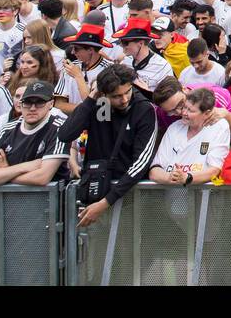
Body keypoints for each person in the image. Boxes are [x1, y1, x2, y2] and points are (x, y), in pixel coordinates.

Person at [58, 63, 158, 227]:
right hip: (97, 189)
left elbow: (141, 162)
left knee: (127, 249)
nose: (124, 99)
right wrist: (91, 98)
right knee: (95, 250)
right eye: (116, 96)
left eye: (127, 92)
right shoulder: (100, 104)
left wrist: (106, 202)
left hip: (129, 194)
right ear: (104, 94)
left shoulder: (143, 109)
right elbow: (65, 134)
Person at [0, 80, 70, 187]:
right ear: (21, 105)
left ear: (51, 104)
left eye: (39, 103)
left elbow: (42, 178)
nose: (32, 108)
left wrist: (4, 173)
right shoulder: (6, 129)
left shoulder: (59, 127)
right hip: (10, 202)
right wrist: (26, 167)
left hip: (48, 201)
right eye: (27, 102)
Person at [148, 87, 231, 187]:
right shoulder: (174, 127)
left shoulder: (219, 127)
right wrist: (168, 177)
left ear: (207, 113)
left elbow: (215, 170)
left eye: (190, 110)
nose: (184, 113)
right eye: (185, 107)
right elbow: (154, 170)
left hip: (202, 197)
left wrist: (187, 177)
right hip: (171, 196)